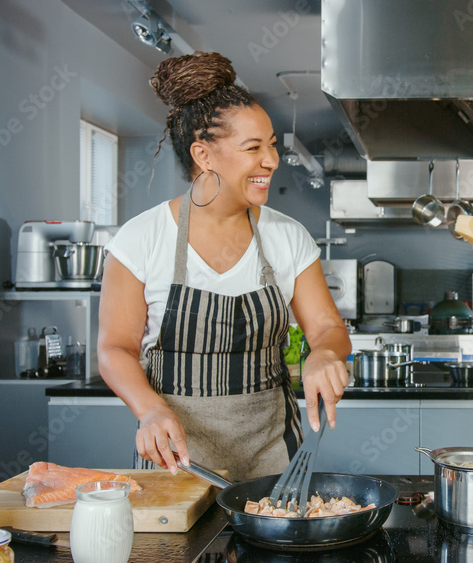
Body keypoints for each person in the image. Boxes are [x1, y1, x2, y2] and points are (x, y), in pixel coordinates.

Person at [97, 52, 350, 480]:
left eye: (271, 144)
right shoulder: (141, 238)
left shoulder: (288, 237)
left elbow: (327, 328)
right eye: (253, 148)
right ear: (204, 155)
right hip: (176, 456)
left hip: (273, 455)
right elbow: (114, 348)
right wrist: (150, 409)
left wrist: (324, 353)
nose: (271, 160)